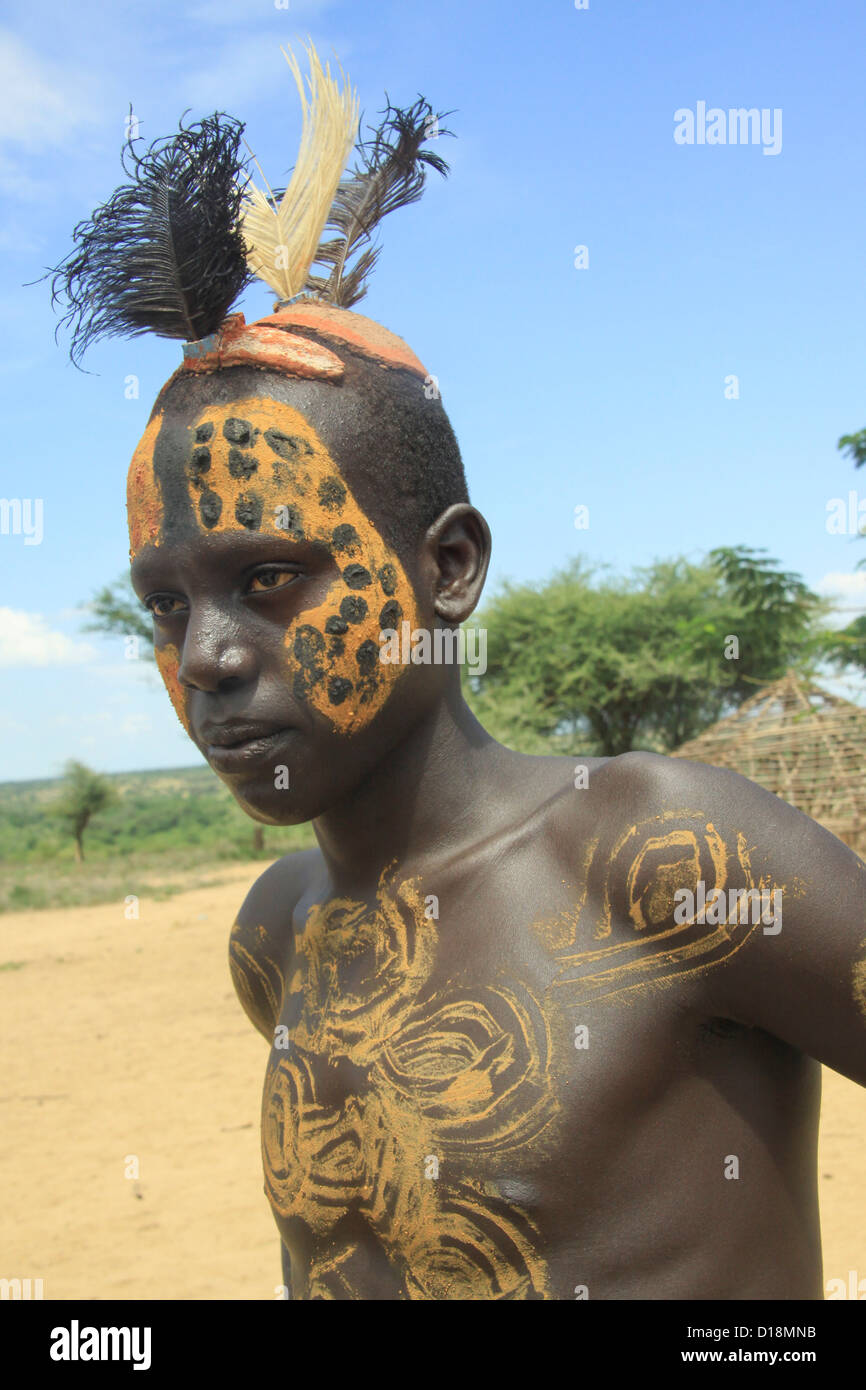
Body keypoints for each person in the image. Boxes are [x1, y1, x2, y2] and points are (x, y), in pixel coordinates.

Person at [51, 44, 866, 1301]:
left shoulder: (663, 863)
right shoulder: (275, 935)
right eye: (165, 604)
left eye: (269, 578)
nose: (205, 654)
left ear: (448, 567)